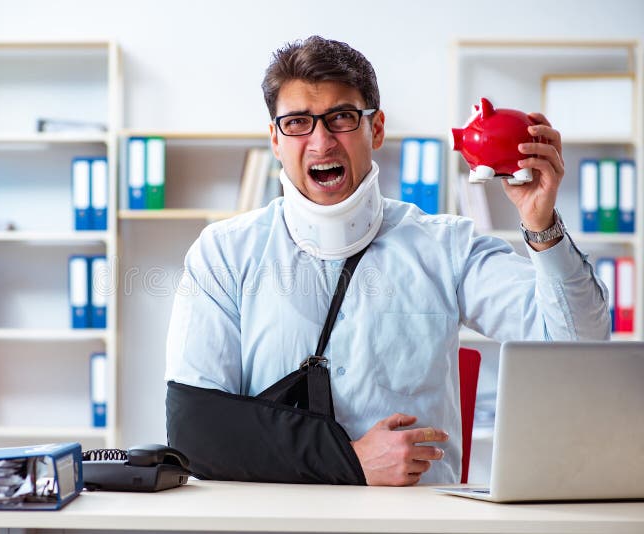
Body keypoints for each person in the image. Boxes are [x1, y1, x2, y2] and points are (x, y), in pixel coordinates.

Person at [164, 35, 610, 486]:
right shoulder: (223, 253)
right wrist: (349, 461)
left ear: (375, 129)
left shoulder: (446, 247)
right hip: (275, 519)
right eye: (298, 122)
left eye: (341, 117)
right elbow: (195, 430)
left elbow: (578, 345)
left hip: (415, 523)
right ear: (275, 141)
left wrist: (541, 223)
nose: (321, 142)